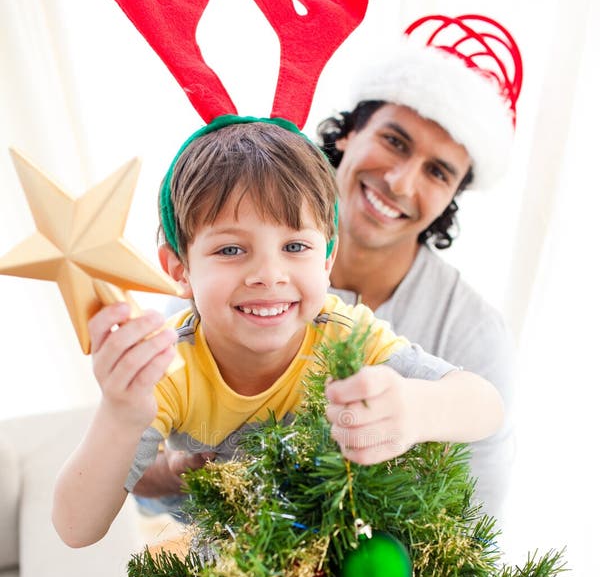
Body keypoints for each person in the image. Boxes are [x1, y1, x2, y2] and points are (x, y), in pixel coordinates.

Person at [135, 17, 521, 521]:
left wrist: (418, 409)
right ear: (350, 132)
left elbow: (479, 511)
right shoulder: (226, 274)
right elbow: (139, 481)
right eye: (396, 141)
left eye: (437, 171)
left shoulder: (471, 331)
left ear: (452, 196)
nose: (401, 183)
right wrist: (186, 470)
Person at [52, 119, 503, 548]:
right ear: (180, 270)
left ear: (326, 259)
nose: (269, 274)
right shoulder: (169, 367)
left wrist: (415, 408)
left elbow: (486, 405)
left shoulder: (343, 333)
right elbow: (75, 527)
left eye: (295, 247)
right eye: (231, 249)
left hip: (341, 569)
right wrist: (121, 414)